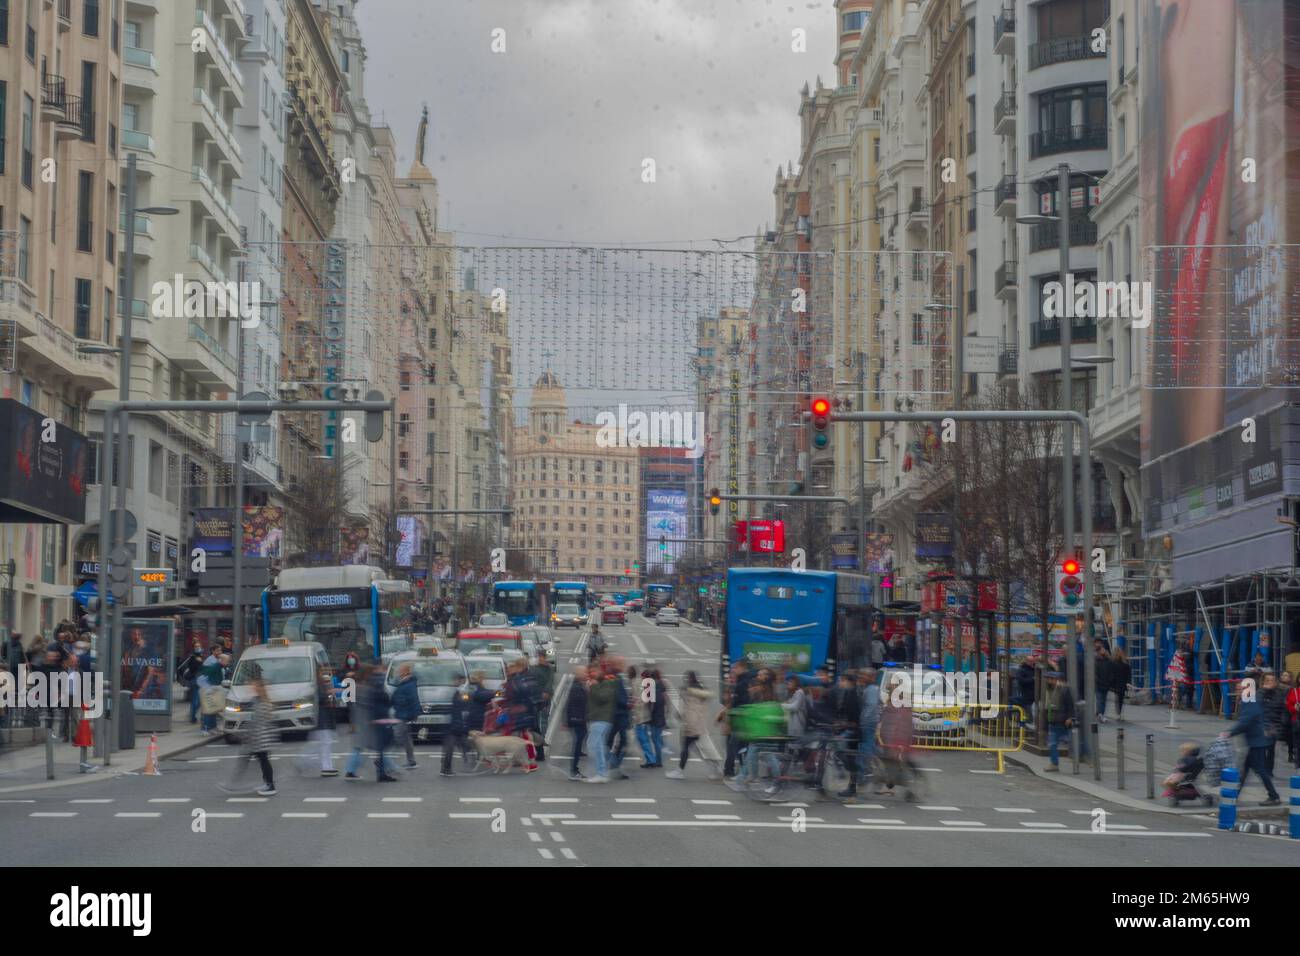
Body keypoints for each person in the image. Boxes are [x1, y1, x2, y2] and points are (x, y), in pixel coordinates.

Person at [1222, 677, 1281, 806]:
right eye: (1238, 689)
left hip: (1257, 741)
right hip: (1255, 741)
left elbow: (1245, 721)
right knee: (1246, 769)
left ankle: (1274, 796)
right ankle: (1235, 795)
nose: (1238, 691)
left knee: (1260, 770)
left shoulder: (1250, 702)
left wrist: (1230, 733)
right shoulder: (1249, 700)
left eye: (1241, 689)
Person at [221, 670, 278, 796]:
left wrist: (245, 735)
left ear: (259, 688)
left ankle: (269, 786)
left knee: (260, 761)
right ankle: (267, 783)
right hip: (257, 738)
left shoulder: (262, 703)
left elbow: (258, 722)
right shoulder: (258, 700)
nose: (251, 688)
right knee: (258, 761)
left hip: (260, 738)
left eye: (253, 686)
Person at [666, 670, 712, 779]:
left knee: (686, 748)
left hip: (691, 725)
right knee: (697, 748)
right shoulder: (700, 691)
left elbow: (688, 710)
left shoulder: (690, 694)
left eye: (687, 678)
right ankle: (716, 768)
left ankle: (679, 771)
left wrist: (681, 716)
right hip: (697, 724)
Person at [585, 665, 618, 783]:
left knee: (593, 746)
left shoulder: (607, 684)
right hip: (596, 719)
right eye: (590, 672)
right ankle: (601, 772)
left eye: (594, 671)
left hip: (602, 719)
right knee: (598, 746)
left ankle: (602, 772)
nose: (592, 674)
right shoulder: (598, 684)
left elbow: (602, 698)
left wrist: (593, 686)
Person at [722, 660, 754, 779]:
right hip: (743, 718)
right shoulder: (745, 681)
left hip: (741, 718)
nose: (734, 670)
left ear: (742, 668)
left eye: (736, 668)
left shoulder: (742, 683)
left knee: (734, 745)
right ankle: (740, 770)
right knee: (741, 746)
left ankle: (730, 769)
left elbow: (739, 702)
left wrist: (734, 711)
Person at [440, 674, 473, 776]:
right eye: (459, 681)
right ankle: (446, 769)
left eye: (462, 681)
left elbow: (465, 707)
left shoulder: (460, 692)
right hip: (453, 725)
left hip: (457, 724)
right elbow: (458, 708)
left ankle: (446, 767)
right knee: (449, 748)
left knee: (464, 745)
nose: (461, 683)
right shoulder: (453, 692)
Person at [390, 662, 420, 770]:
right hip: (402, 713)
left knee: (395, 737)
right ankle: (411, 761)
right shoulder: (405, 683)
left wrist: (415, 714)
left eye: (400, 671)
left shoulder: (408, 684)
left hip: (403, 715)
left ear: (405, 672)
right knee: (406, 739)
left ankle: (385, 761)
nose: (398, 673)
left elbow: (414, 700)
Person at [1042, 672, 1075, 772]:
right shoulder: (1049, 690)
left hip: (1062, 720)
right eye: (1048, 678)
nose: (1049, 680)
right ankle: (1054, 763)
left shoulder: (1064, 690)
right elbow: (1046, 707)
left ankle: (1055, 764)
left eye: (1051, 678)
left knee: (1056, 742)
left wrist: (1070, 718)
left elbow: (1070, 705)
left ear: (1056, 679)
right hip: (1053, 720)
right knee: (1052, 743)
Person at [1259, 671, 1286, 777]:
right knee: (1261, 749)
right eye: (1267, 680)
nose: (1270, 682)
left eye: (1272, 680)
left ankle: (1268, 770)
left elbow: (1283, 711)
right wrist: (1263, 690)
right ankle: (1262, 769)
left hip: (1273, 727)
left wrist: (1280, 726)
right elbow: (1256, 706)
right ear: (1263, 682)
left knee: (1271, 749)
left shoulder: (1279, 694)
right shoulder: (1259, 693)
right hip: (1261, 726)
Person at [857, 669, 880, 790]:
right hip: (870, 721)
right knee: (869, 745)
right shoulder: (869, 689)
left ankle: (866, 771)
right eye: (861, 674)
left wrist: (863, 721)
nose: (861, 677)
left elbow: (871, 706)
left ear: (872, 677)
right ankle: (881, 763)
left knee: (865, 747)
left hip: (868, 722)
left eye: (864, 675)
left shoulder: (871, 689)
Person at [565, 665, 590, 780]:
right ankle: (574, 770)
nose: (586, 674)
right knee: (578, 742)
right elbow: (577, 704)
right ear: (579, 674)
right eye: (585, 673)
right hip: (578, 718)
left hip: (578, 718)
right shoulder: (577, 687)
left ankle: (574, 769)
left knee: (579, 740)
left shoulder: (578, 685)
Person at [195, 645, 225, 735]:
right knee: (207, 708)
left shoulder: (215, 660)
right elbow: (210, 675)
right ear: (213, 651)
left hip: (211, 687)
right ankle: (205, 728)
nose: (220, 652)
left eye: (220, 650)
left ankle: (212, 727)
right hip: (206, 687)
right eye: (218, 650)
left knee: (213, 708)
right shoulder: (211, 661)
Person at [634, 668, 658, 768]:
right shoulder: (649, 687)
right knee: (644, 740)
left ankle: (651, 759)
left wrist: (635, 703)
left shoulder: (647, 688)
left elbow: (642, 704)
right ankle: (650, 759)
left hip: (641, 718)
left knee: (643, 740)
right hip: (644, 718)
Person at [176, 645, 205, 725]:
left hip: (194, 681)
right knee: (197, 700)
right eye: (201, 653)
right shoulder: (196, 660)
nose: (202, 654)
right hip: (196, 681)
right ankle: (192, 717)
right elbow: (196, 669)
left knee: (195, 699)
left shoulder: (192, 659)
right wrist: (199, 662)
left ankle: (192, 717)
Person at [648, 668, 668, 769]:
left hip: (655, 717)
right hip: (661, 716)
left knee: (655, 739)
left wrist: (649, 713)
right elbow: (666, 700)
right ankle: (658, 759)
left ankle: (658, 760)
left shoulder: (653, 687)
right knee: (657, 738)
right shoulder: (662, 686)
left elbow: (652, 704)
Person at [1110, 648, 1131, 721]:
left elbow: (1111, 674)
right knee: (1120, 699)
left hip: (1116, 684)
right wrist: (1128, 682)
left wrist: (1111, 683)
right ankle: (1119, 713)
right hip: (1122, 684)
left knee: (1117, 699)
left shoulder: (1113, 663)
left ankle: (1118, 713)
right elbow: (1128, 674)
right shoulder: (1125, 664)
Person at [1094, 646, 1112, 723]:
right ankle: (1100, 714)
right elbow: (1095, 673)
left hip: (1106, 684)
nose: (1103, 650)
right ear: (1098, 652)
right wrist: (1098, 681)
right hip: (1098, 684)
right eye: (1102, 649)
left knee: (1103, 700)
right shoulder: (1096, 661)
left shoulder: (1108, 661)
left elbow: (1111, 672)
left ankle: (1101, 714)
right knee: (1099, 700)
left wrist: (1109, 681)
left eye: (1104, 649)